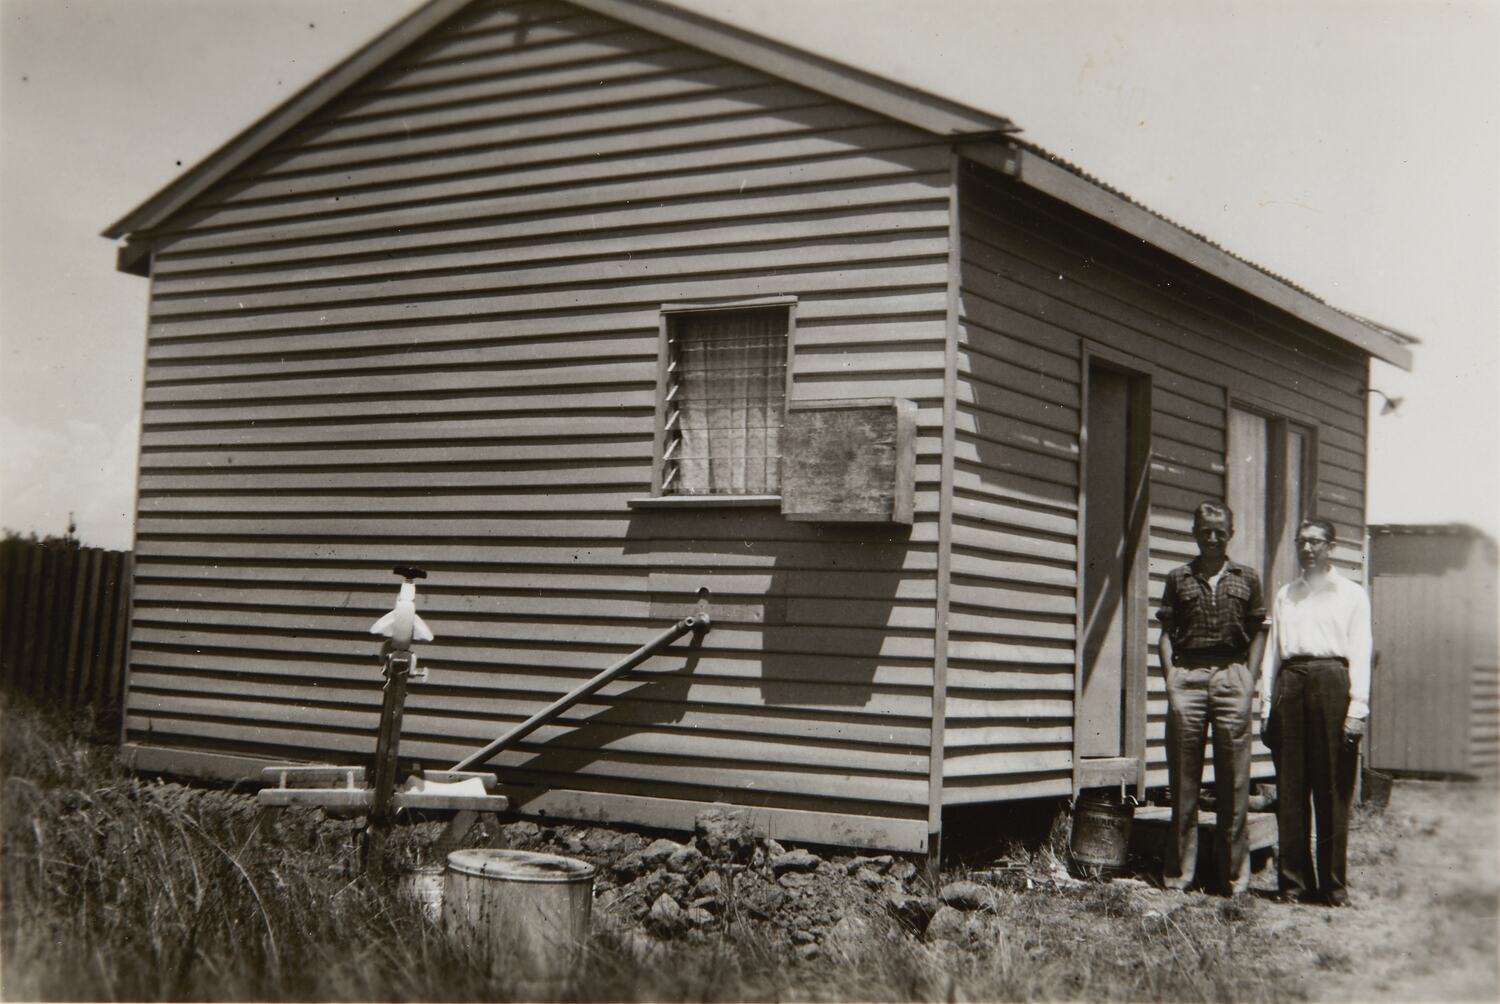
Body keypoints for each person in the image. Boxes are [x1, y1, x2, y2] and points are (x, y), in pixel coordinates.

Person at [1156, 501, 1267, 895]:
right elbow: (1166, 634)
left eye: (1220, 531)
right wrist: (1171, 680)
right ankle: (1178, 875)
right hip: (1188, 676)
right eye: (1205, 531)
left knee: (1234, 782)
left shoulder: (1247, 577)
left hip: (1232, 675)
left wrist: (1249, 678)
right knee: (1183, 779)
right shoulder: (1178, 577)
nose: (1213, 538)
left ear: (1231, 533)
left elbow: (1259, 630)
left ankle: (1233, 878)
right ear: (1194, 532)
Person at [1259, 518, 1372, 906]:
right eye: (1301, 542)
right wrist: (1266, 705)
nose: (1307, 549)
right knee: (1291, 788)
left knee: (1333, 789)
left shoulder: (1352, 594)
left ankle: (1333, 886)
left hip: (1333, 682)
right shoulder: (1286, 594)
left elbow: (1360, 651)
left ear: (1331, 547)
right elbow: (1273, 653)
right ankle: (1293, 883)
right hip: (1290, 683)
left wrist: (1357, 709)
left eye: (1315, 542)